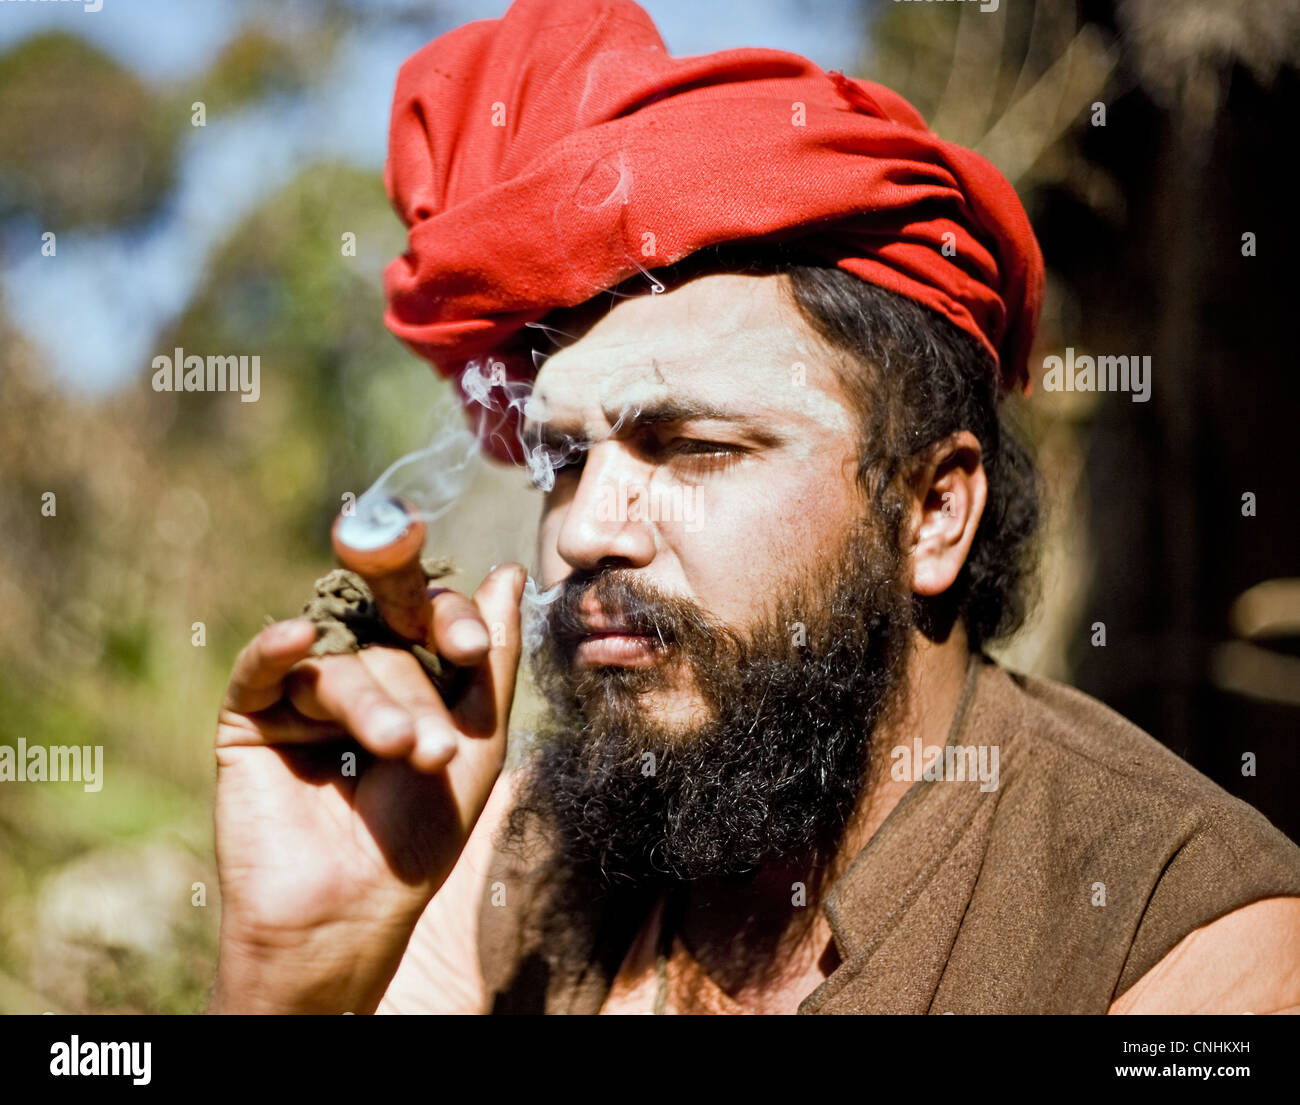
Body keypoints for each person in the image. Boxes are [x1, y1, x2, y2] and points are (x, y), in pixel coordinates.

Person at [208, 0, 1300, 1014]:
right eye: (563, 461)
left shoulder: (1181, 936)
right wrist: (296, 977)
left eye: (691, 447)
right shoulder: (503, 862)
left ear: (931, 512)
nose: (586, 530)